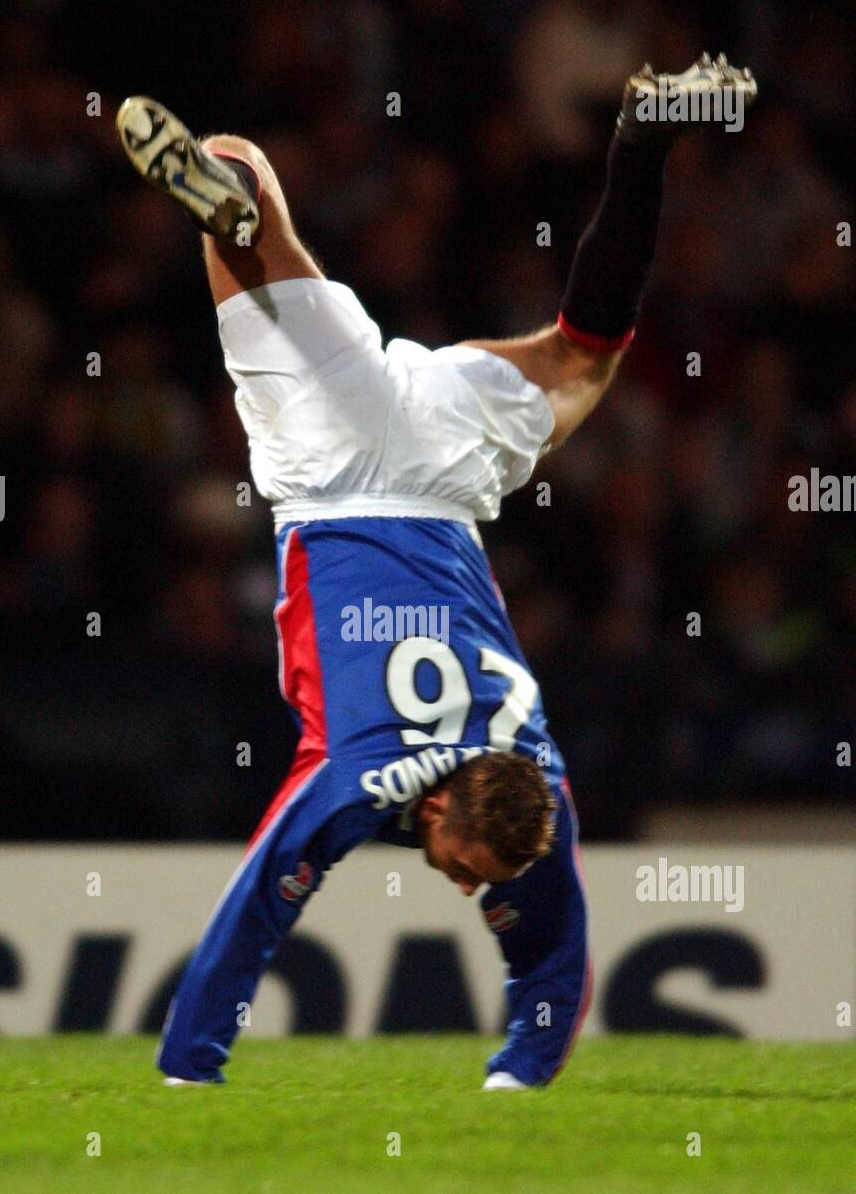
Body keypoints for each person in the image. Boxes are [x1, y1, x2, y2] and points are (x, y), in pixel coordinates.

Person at [116, 53, 755, 1089]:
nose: (459, 885)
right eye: (467, 867)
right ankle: (236, 211)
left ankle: (636, 145)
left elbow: (549, 940)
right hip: (328, 473)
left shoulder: (533, 763)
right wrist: (190, 1067)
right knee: (246, 235)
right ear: (454, 809)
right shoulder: (360, 771)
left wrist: (518, 1080)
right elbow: (262, 898)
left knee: (585, 350)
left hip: (445, 451)